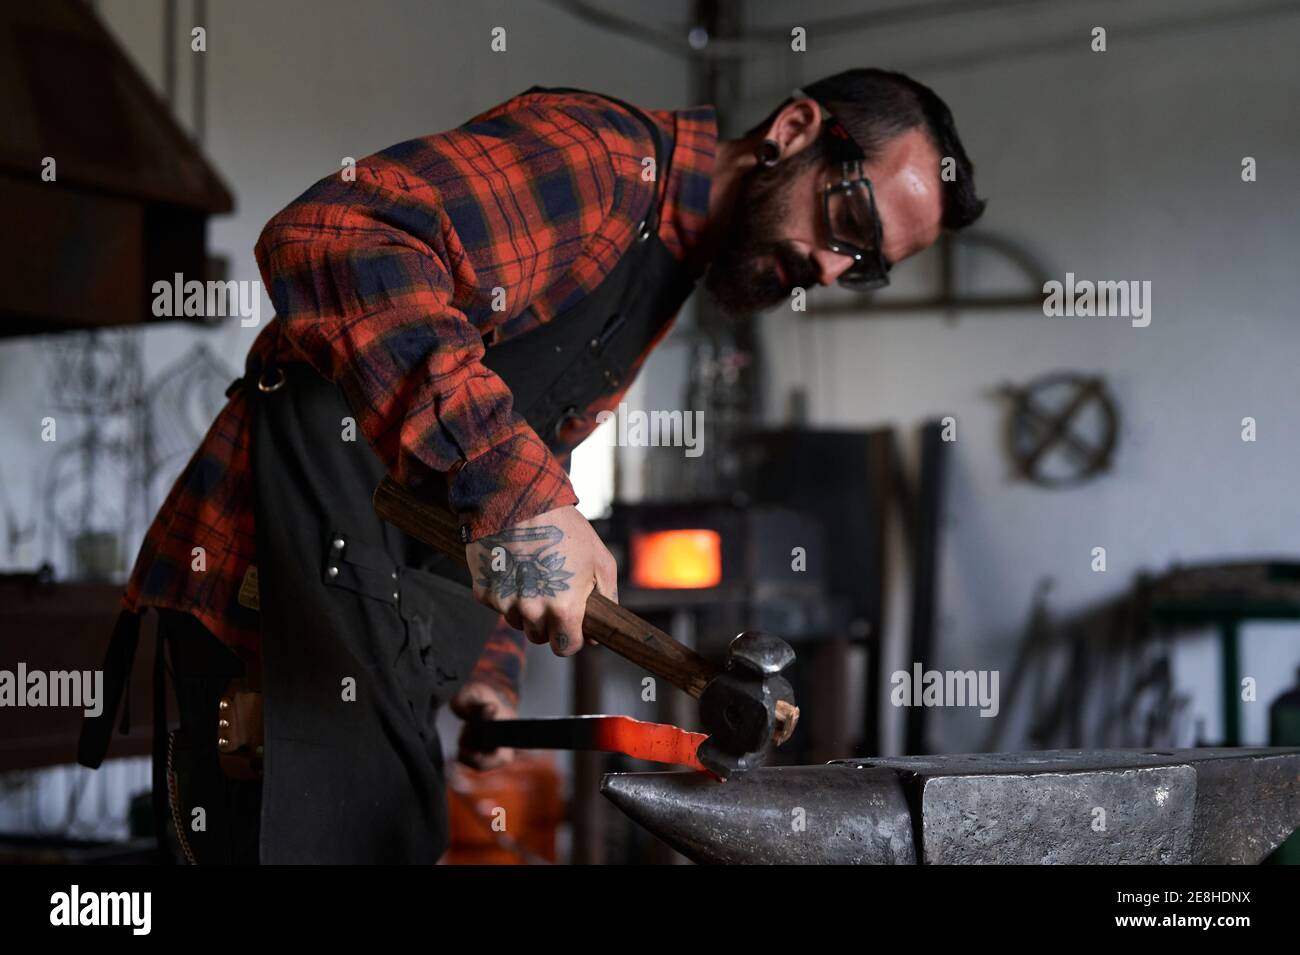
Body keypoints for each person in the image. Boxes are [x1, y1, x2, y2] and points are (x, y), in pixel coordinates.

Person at [80, 69, 984, 863]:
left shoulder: (660, 278)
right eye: (849, 218)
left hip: (373, 619)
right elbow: (334, 234)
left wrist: (493, 670)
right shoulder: (605, 161)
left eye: (865, 266)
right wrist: (522, 495)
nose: (830, 268)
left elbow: (514, 481)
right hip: (265, 604)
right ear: (793, 132)